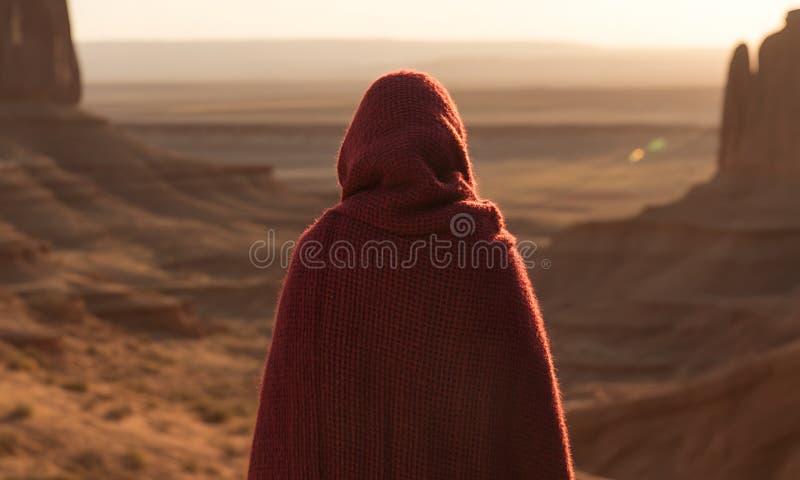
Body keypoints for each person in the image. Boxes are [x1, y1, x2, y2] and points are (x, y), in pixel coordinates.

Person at [248, 71, 574, 479]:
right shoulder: (487, 253)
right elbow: (533, 421)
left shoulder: (322, 249)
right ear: (449, 146)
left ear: (358, 148)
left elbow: (287, 422)